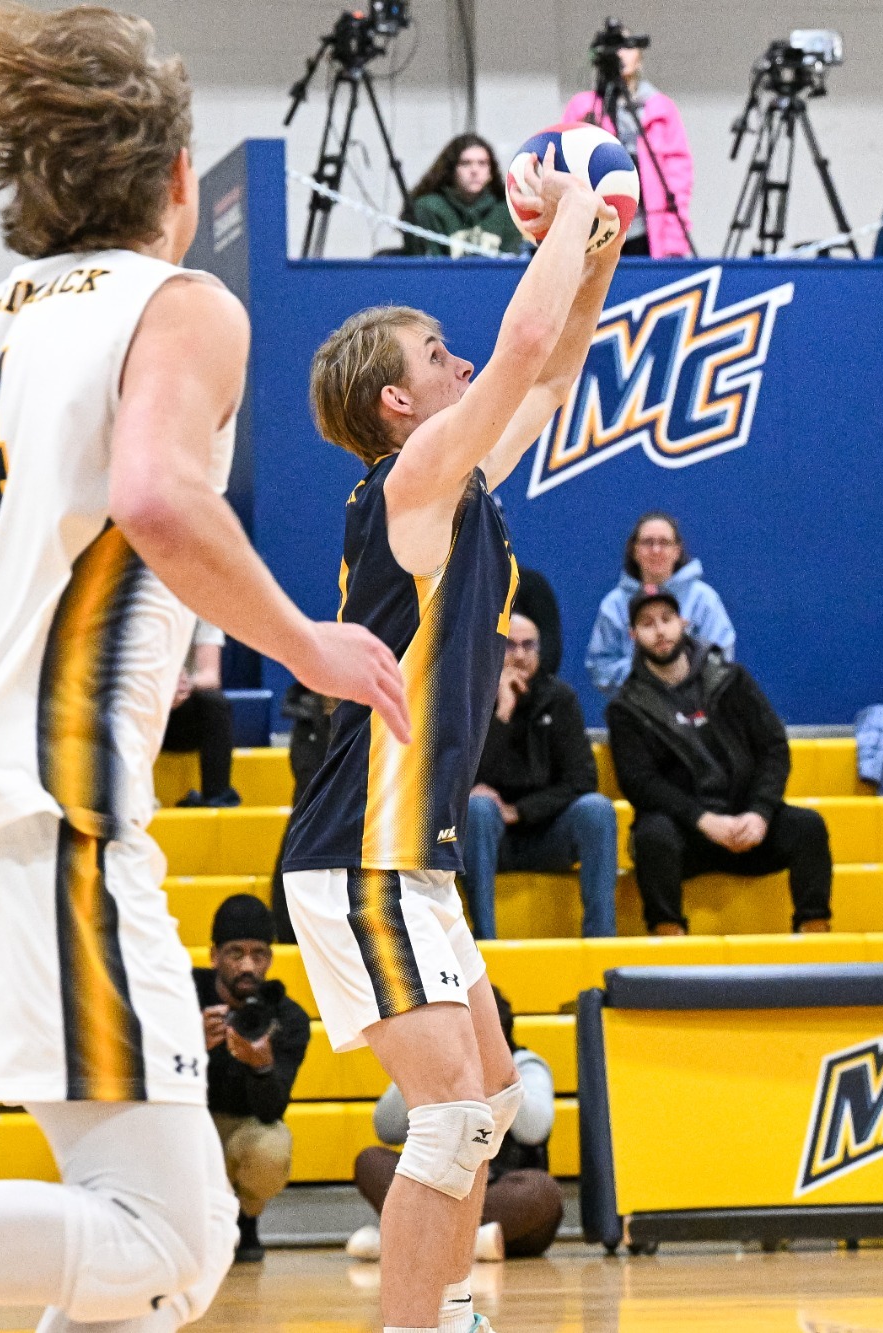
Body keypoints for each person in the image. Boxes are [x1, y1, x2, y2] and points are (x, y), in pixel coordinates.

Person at [0, 1, 408, 1326]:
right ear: (178, 181)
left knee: (142, 1270)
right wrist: (310, 645)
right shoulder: (182, 305)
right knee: (168, 1241)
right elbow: (161, 499)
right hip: (48, 798)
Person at [278, 151, 619, 1333]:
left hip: (402, 852)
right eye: (437, 356)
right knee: (455, 1116)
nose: (461, 362)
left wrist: (595, 248)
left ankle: (449, 1312)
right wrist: (562, 211)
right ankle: (419, 1326)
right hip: (358, 847)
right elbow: (517, 355)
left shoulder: (454, 479)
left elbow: (550, 367)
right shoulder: (409, 477)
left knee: (488, 1094)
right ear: (395, 402)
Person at [609, 589, 832, 936]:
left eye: (667, 620)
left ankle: (814, 931)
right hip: (686, 835)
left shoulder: (731, 680)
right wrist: (703, 820)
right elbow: (640, 782)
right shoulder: (626, 706)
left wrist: (759, 813)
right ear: (634, 636)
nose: (660, 630)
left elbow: (774, 747)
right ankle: (669, 937)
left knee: (808, 827)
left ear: (683, 624)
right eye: (648, 624)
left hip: (747, 825)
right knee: (652, 836)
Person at [346, 988, 563, 1265]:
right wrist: (421, 1069)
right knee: (371, 1160)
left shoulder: (526, 1064)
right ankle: (468, 1245)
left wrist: (495, 1072)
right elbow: (386, 1128)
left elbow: (534, 1130)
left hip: (499, 1190)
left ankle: (406, 1243)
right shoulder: (430, 1060)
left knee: (541, 1191)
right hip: (439, 1186)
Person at [463, 613, 617, 939]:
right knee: (476, 808)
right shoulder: (469, 700)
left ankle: (601, 939)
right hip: (488, 838)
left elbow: (581, 780)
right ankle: (484, 941)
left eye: (528, 645)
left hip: (549, 834)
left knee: (597, 809)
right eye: (509, 645)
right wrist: (501, 712)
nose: (519, 655)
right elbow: (461, 780)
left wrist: (519, 811)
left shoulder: (561, 699)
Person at [194, 894, 309, 1265]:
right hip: (187, 1122)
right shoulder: (182, 994)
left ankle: (246, 1218)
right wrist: (188, 1047)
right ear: (214, 956)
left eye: (259, 954)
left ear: (270, 959)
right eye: (235, 953)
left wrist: (260, 1066)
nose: (248, 965)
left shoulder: (286, 1017)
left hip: (242, 1128)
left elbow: (272, 1110)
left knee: (271, 1145)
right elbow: (138, 1076)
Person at [562, 23, 693, 258]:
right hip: (596, 226)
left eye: (626, 47)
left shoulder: (660, 108)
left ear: (639, 57)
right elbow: (566, 165)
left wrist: (674, 238)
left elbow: (677, 175)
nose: (620, 53)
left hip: (647, 230)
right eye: (614, 47)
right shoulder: (584, 106)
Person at [585, 512, 735, 696]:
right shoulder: (614, 605)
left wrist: (679, 673)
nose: (656, 550)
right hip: (635, 710)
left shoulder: (704, 599)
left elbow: (721, 659)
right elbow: (600, 668)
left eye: (664, 542)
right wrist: (649, 673)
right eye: (648, 543)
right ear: (634, 551)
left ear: (677, 550)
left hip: (698, 710)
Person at [403, 134, 519, 259]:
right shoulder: (428, 208)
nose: (474, 170)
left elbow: (513, 263)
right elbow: (428, 269)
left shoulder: (507, 212)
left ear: (491, 171)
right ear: (451, 170)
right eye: (465, 163)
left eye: (482, 163)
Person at [164, 619, 238, 807]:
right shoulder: (137, 604)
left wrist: (181, 685)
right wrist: (160, 686)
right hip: (142, 702)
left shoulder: (201, 608)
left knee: (215, 702)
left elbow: (210, 676)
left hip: (179, 718)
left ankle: (217, 796)